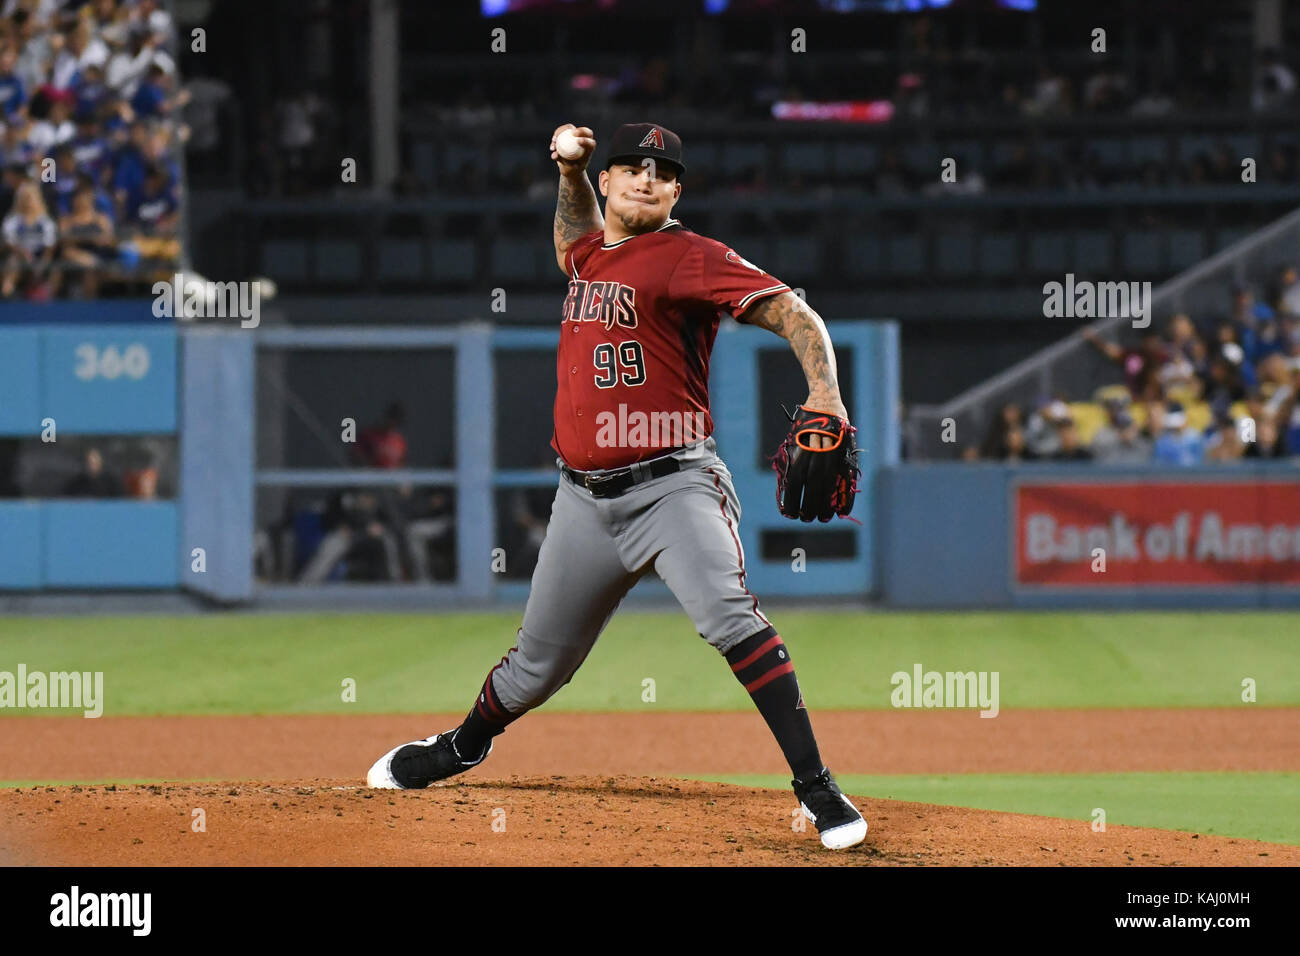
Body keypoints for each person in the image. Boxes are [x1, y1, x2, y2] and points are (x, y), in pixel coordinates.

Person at [367, 122, 868, 851]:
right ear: (609, 181)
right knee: (535, 668)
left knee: (730, 618)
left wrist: (825, 395)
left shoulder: (692, 257)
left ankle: (817, 788)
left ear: (676, 191)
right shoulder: (591, 253)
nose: (645, 178)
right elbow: (572, 234)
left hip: (675, 488)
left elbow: (794, 311)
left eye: (661, 173)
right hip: (582, 501)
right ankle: (463, 745)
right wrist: (569, 172)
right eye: (630, 167)